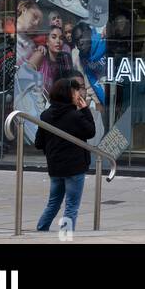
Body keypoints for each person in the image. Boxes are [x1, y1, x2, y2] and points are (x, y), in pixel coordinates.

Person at [34, 77, 97, 233]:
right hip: (74, 168)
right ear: (67, 94)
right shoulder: (74, 116)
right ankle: (65, 237)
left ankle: (41, 230)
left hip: (55, 168)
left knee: (53, 203)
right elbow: (91, 132)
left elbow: (38, 143)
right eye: (75, 91)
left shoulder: (46, 115)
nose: (78, 94)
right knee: (71, 206)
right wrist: (85, 110)